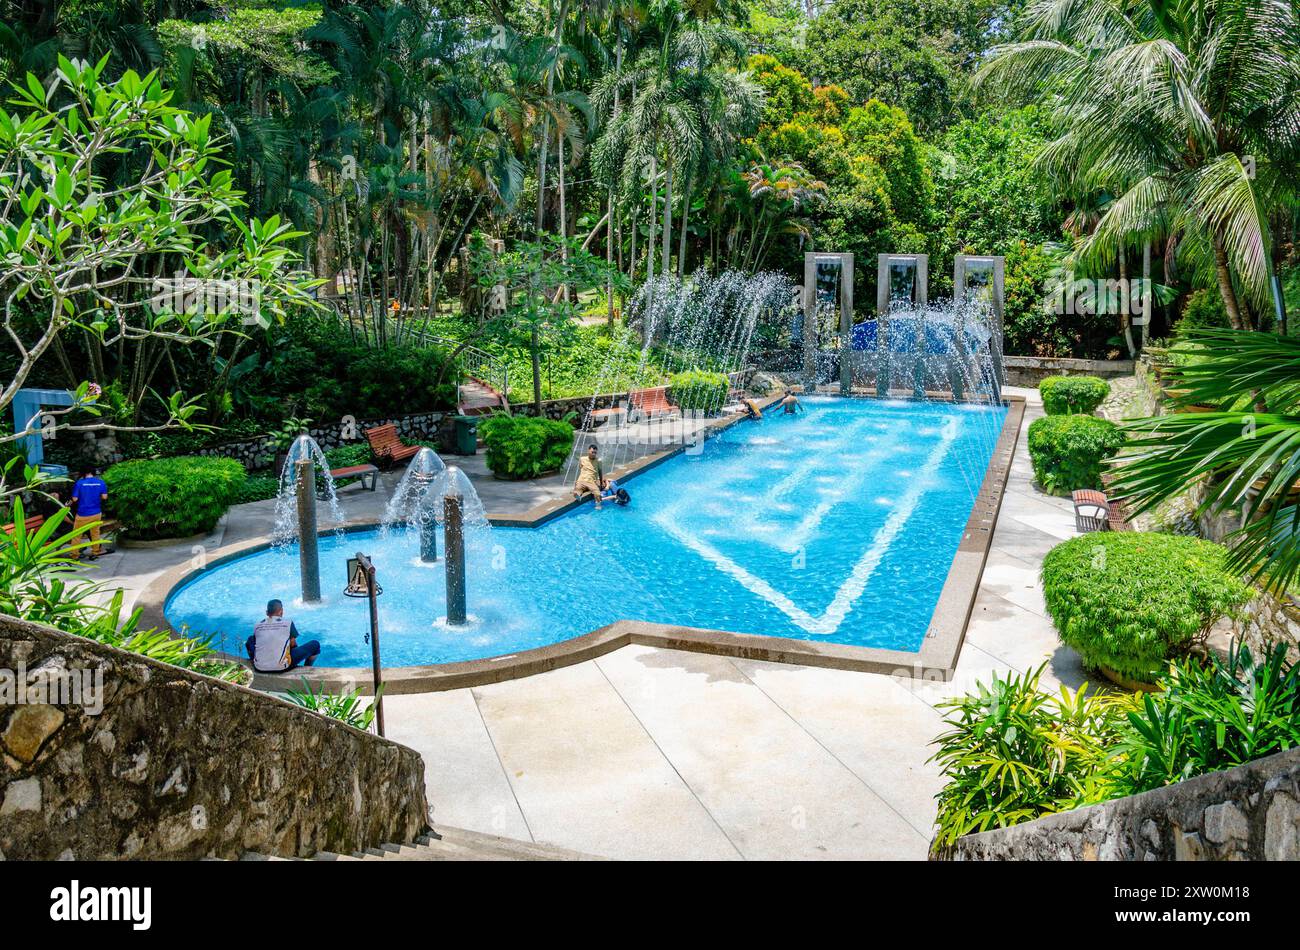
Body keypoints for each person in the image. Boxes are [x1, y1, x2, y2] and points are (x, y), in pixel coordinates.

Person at [246, 599, 321, 674]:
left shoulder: (258, 625)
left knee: (250, 639)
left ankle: (257, 661)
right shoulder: (288, 623)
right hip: (282, 667)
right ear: (281, 611)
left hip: (259, 668)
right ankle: (306, 669)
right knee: (315, 644)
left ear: (266, 612)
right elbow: (293, 644)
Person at [68, 467, 109, 559]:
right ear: (93, 472)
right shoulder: (101, 482)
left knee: (76, 535)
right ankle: (96, 552)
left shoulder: (79, 483)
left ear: (83, 473)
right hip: (96, 512)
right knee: (95, 533)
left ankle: (74, 555)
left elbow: (75, 499)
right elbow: (105, 497)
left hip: (83, 513)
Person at [573, 443, 611, 510]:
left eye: (595, 453)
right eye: (592, 452)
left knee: (597, 493)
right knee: (577, 491)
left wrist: (601, 482)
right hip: (582, 480)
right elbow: (581, 468)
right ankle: (578, 494)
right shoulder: (582, 459)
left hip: (591, 482)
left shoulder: (598, 461)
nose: (593, 454)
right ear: (588, 451)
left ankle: (598, 506)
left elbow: (600, 471)